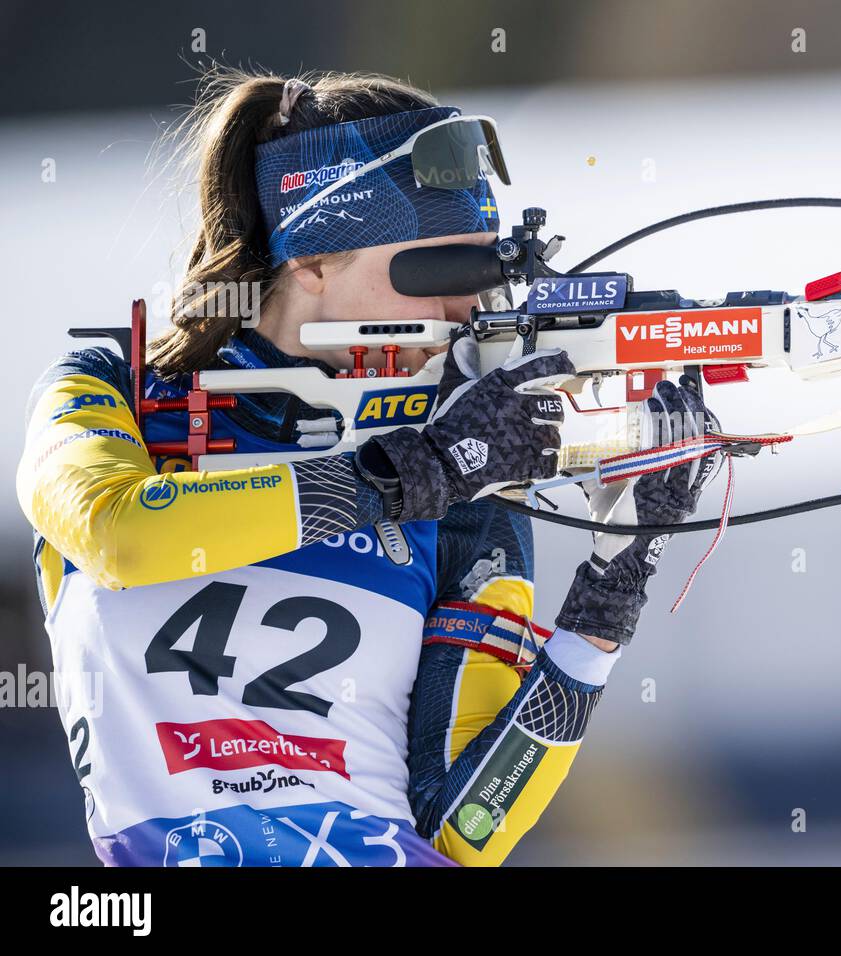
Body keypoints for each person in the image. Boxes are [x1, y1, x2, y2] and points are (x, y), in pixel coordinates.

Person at [15, 68, 718, 867]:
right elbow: (120, 535)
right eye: (444, 272)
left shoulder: (463, 469)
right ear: (314, 256)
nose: (466, 313)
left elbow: (464, 828)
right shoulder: (110, 393)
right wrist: (408, 475)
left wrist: (608, 598)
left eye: (485, 277)